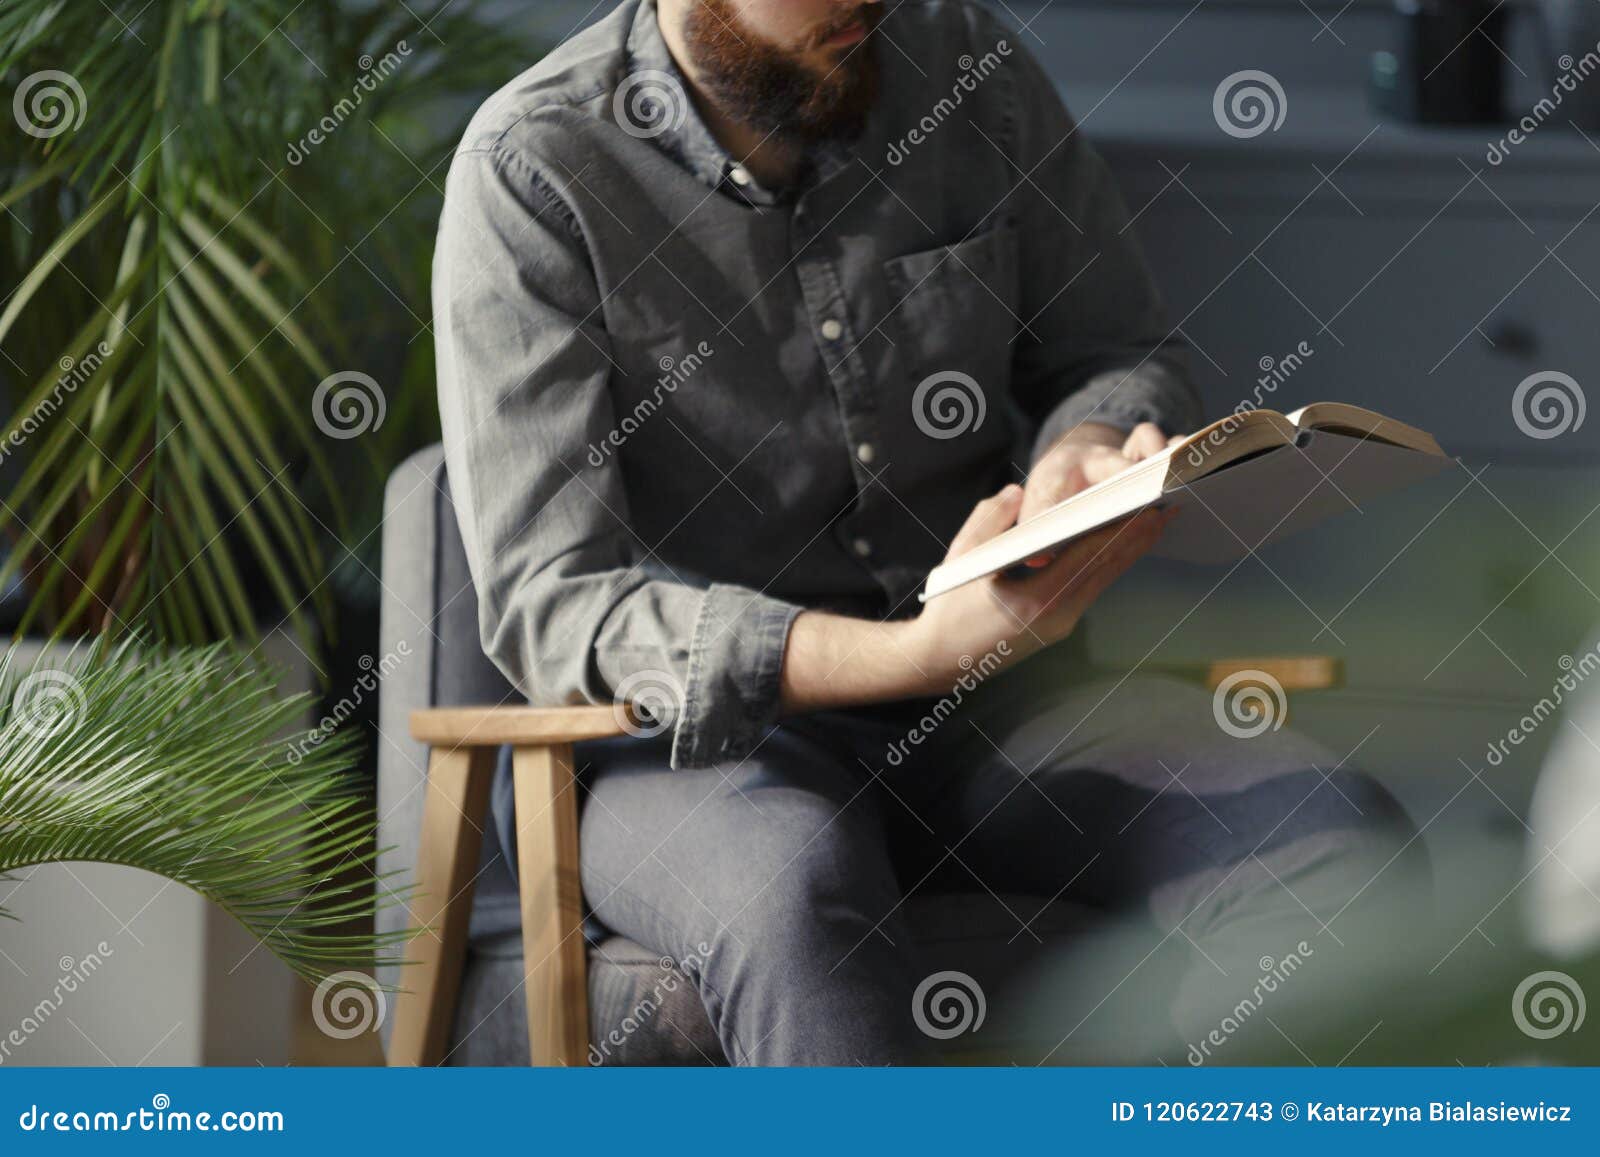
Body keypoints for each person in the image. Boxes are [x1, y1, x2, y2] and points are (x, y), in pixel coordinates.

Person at [434, 0, 1426, 1064]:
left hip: (996, 705)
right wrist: (906, 650)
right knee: (793, 888)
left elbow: (1114, 347)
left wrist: (1079, 449)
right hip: (707, 750)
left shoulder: (967, 67)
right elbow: (557, 602)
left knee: (1325, 830)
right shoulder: (535, 171)